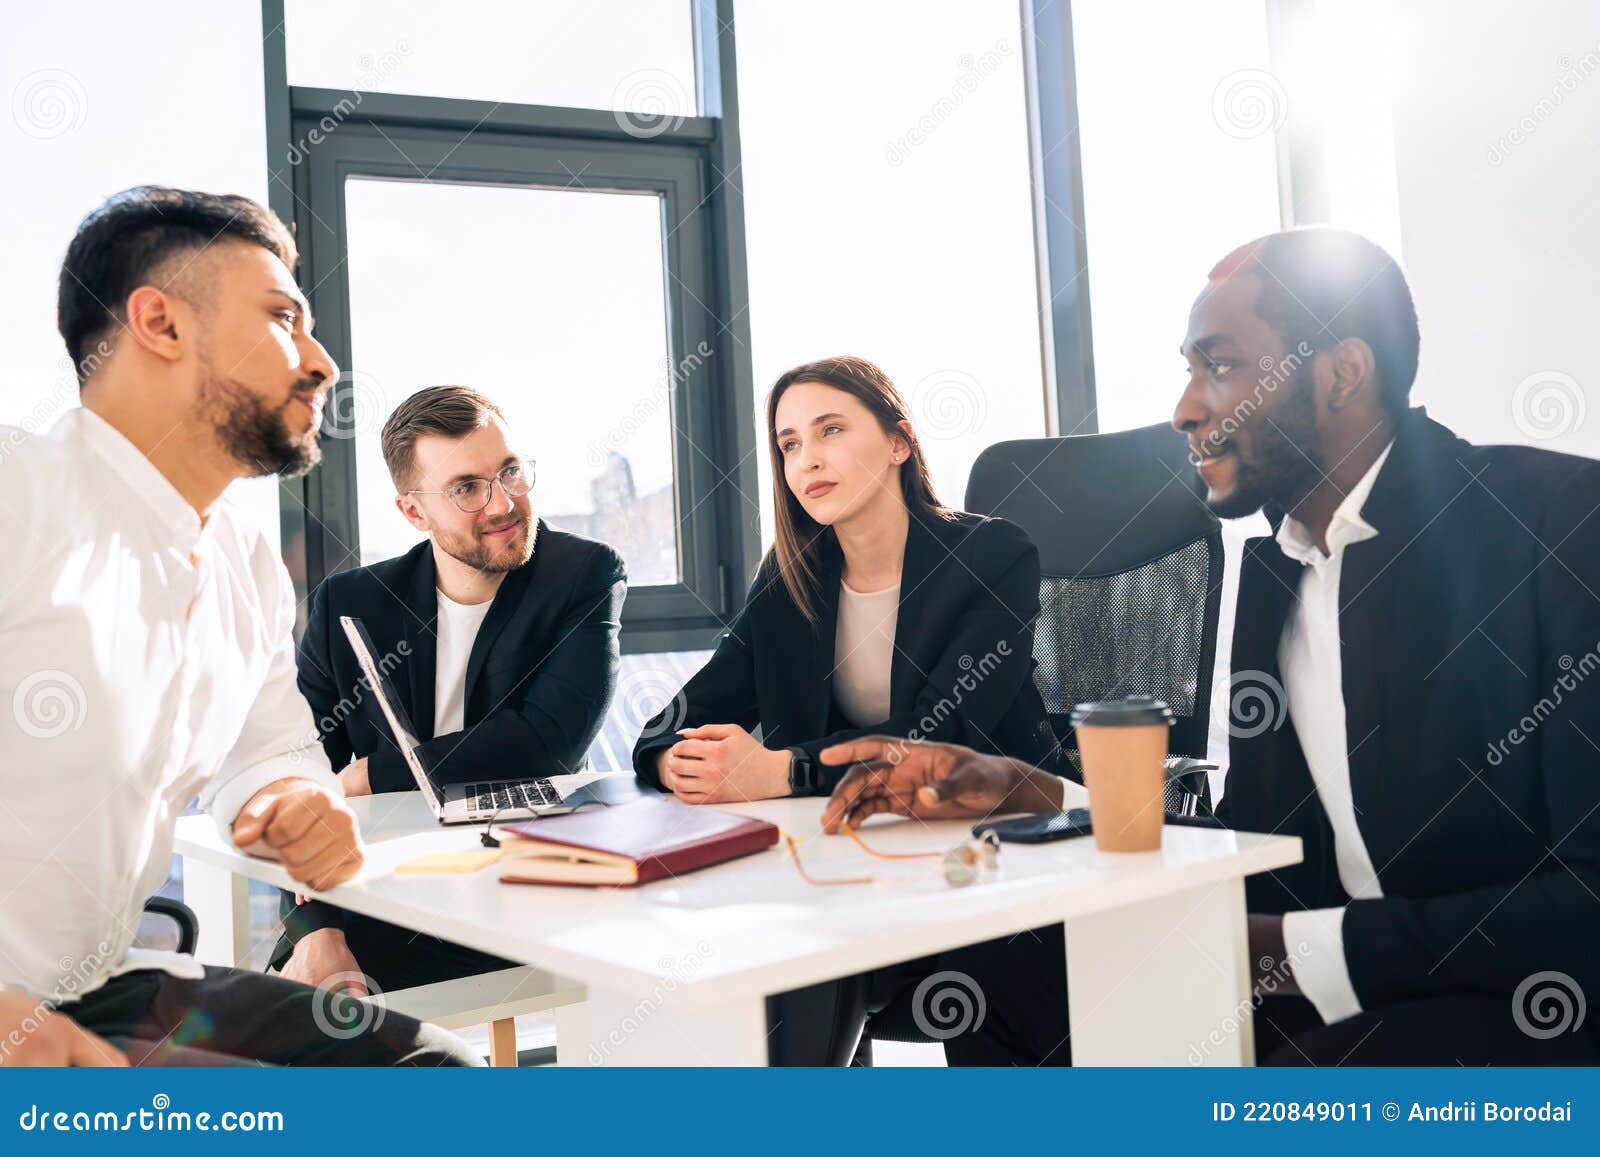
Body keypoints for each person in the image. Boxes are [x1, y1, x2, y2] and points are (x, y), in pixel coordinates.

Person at [819, 227, 1600, 1066]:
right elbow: (1253, 850)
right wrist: (1030, 790)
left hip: (1527, 1009)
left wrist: (1277, 954)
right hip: (1341, 987)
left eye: (1219, 365)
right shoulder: (1282, 571)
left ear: (1342, 373)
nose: (1186, 408)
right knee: (1005, 982)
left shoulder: (1557, 527)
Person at [0, 187, 478, 1066]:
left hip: (103, 988)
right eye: (283, 318)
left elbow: (270, 749)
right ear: (161, 323)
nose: (324, 360)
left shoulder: (244, 560)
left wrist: (290, 802)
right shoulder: (16, 498)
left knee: (435, 1071)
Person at [632, 355, 1067, 1064]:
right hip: (858, 866)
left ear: (899, 442)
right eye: (790, 444)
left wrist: (782, 770)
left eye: (831, 429)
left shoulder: (991, 554)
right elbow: (675, 716)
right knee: (770, 948)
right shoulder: (789, 577)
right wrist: (677, 758)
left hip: (997, 860)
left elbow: (942, 738)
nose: (808, 458)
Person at [272, 385, 626, 994]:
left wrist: (371, 775)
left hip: (531, 889)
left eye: (509, 471)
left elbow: (546, 744)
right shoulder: (349, 603)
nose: (503, 503)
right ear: (413, 512)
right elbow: (301, 778)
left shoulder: (583, 573)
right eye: (467, 487)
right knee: (293, 1017)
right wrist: (317, 928)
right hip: (382, 896)